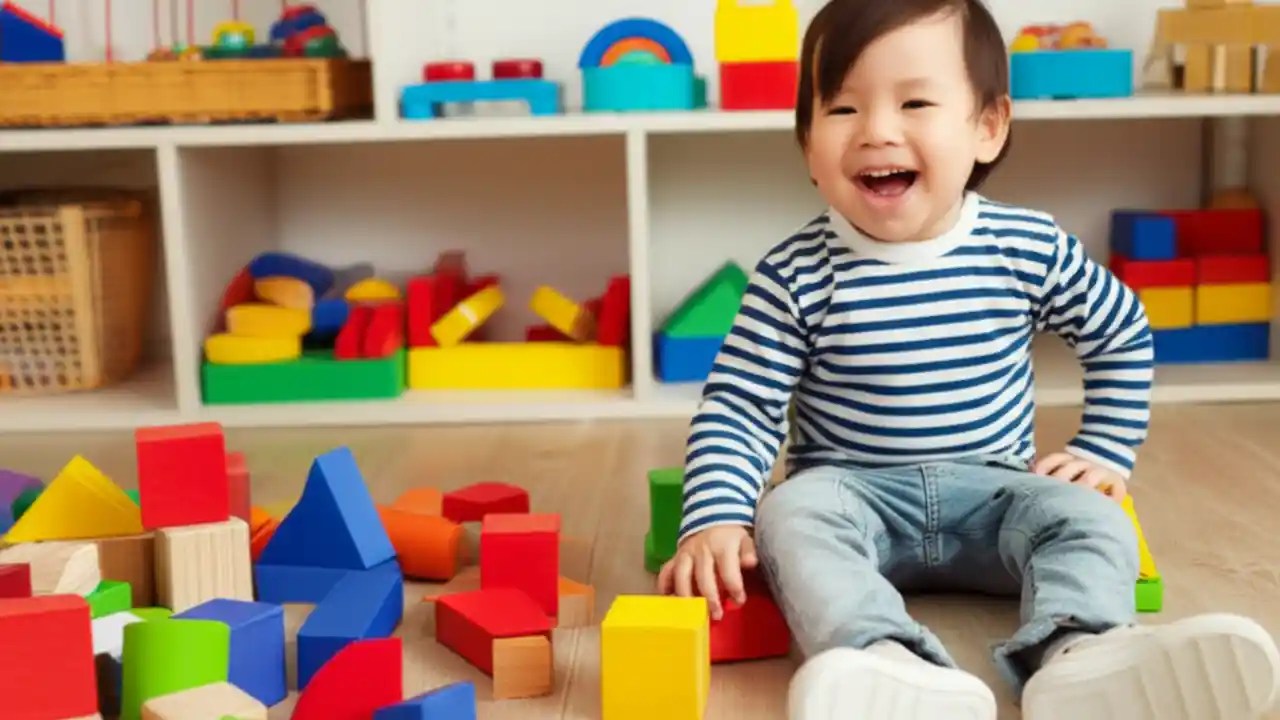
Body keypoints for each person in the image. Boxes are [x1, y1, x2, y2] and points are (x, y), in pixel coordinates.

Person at [655, 0, 1280, 718]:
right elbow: (740, 406)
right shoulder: (796, 274)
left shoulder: (1027, 247)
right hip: (856, 500)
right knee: (789, 515)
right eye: (841, 109)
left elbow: (1120, 330)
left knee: (1096, 517)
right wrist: (715, 516)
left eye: (914, 101)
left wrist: (1104, 451)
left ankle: (1083, 656)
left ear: (987, 127)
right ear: (806, 144)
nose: (876, 131)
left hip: (998, 496)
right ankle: (876, 659)